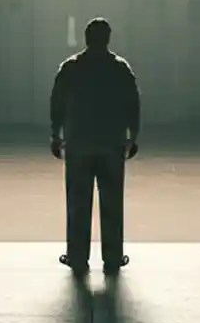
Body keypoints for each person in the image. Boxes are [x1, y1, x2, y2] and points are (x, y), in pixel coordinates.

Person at [49, 17, 140, 274]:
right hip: (111, 144)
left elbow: (57, 104)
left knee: (78, 203)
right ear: (108, 38)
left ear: (85, 38)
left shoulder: (71, 67)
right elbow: (133, 103)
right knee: (112, 202)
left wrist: (56, 135)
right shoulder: (120, 68)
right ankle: (112, 258)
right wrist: (133, 135)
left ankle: (77, 257)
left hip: (79, 144)